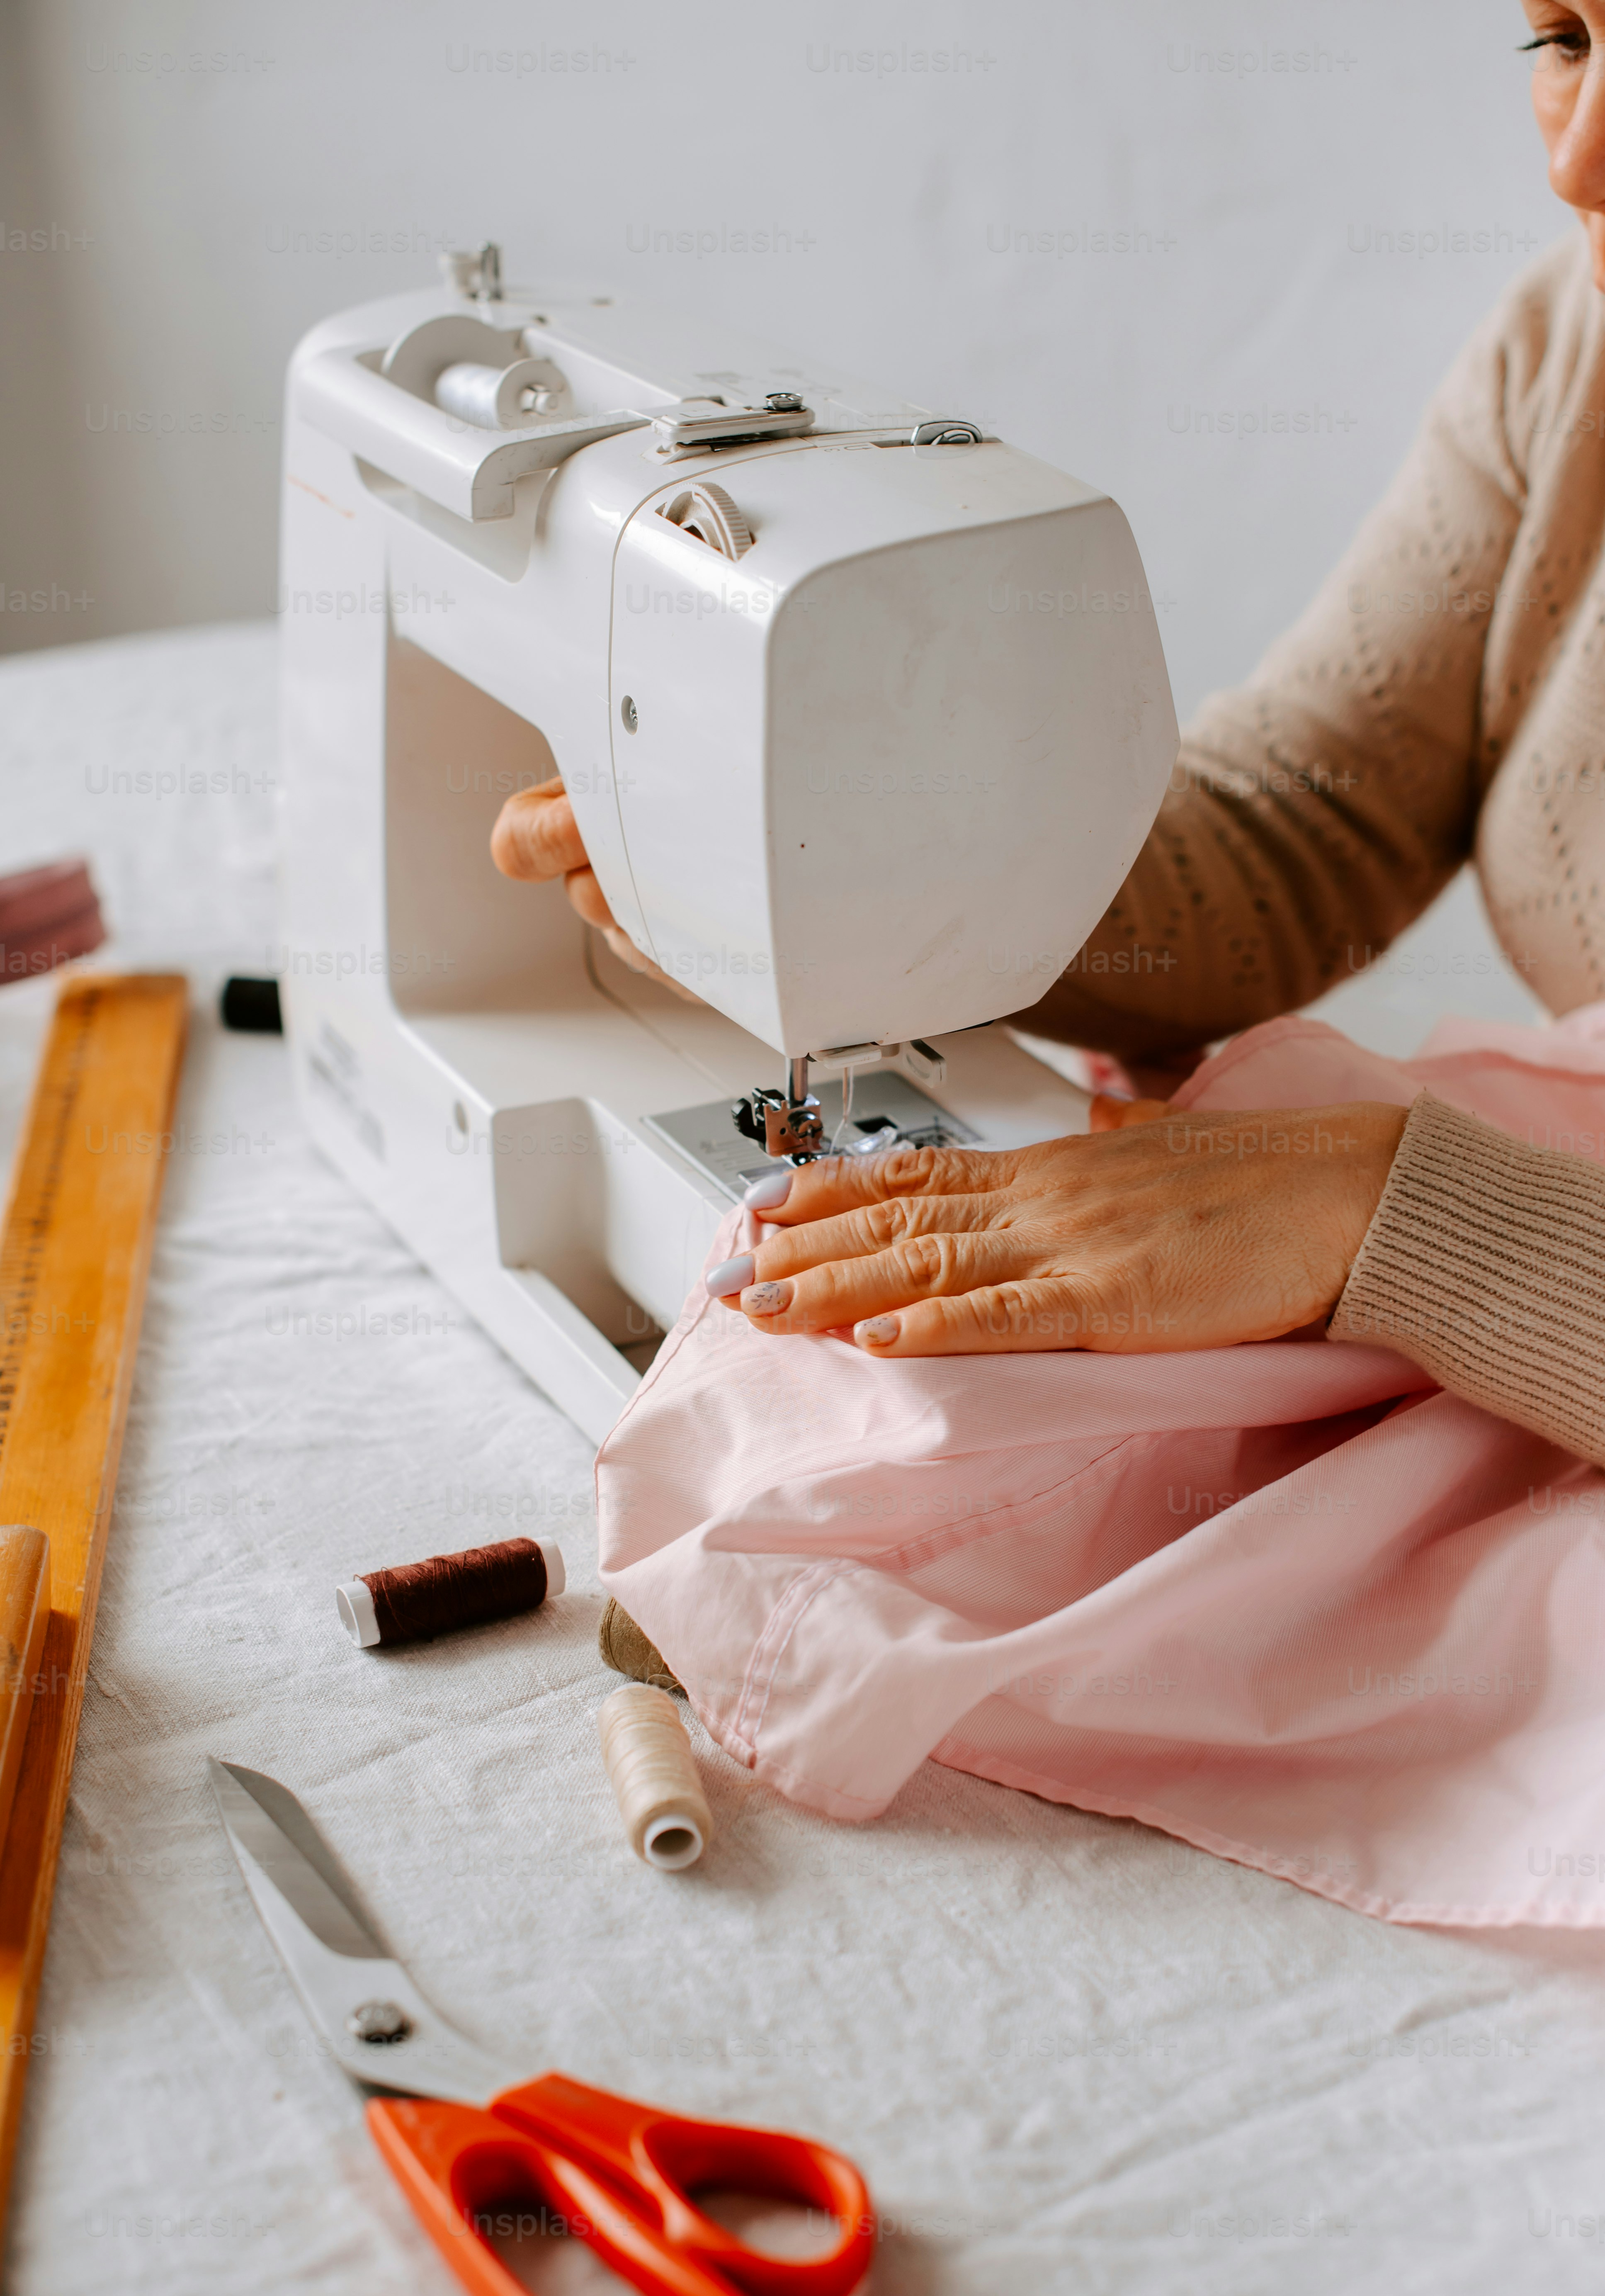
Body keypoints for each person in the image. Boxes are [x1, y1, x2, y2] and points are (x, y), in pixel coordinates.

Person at [491, 0, 1605, 1467]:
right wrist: (898, 864)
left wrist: (1393, 1216)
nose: (1577, 168)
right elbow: (1303, 824)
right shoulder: (1568, 350)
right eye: (1563, 40)